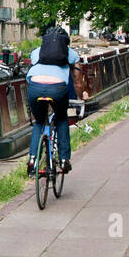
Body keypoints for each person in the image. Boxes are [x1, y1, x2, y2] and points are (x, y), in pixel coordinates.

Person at [26, 26, 87, 176]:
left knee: (39, 122)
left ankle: (32, 160)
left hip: (35, 88)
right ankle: (64, 160)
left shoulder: (36, 52)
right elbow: (78, 81)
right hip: (58, 89)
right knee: (61, 119)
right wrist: (81, 96)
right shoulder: (71, 53)